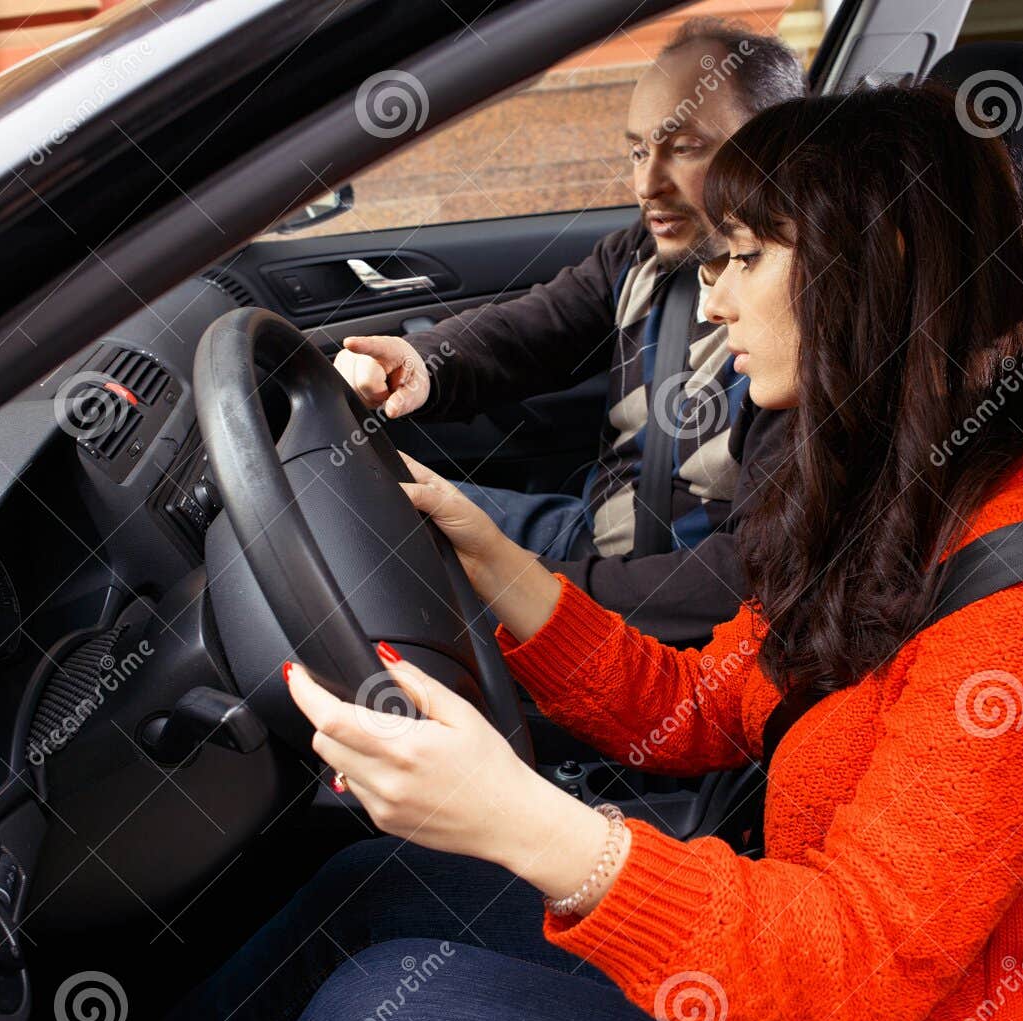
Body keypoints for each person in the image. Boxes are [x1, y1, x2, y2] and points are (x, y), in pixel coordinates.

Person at [138, 84, 1023, 1021]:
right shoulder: (889, 484)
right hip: (807, 963)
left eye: (745, 257)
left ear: (877, 263)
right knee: (366, 888)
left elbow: (858, 970)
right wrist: (497, 564)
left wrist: (530, 823)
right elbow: (713, 706)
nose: (713, 302)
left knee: (383, 1018)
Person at [334, 17, 803, 643]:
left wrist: (531, 587)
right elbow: (528, 330)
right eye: (639, 150)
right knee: (349, 501)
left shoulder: (802, 332)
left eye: (685, 147)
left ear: (773, 149)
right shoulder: (642, 256)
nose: (645, 184)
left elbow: (742, 581)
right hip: (586, 535)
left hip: (664, 608)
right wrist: (420, 361)